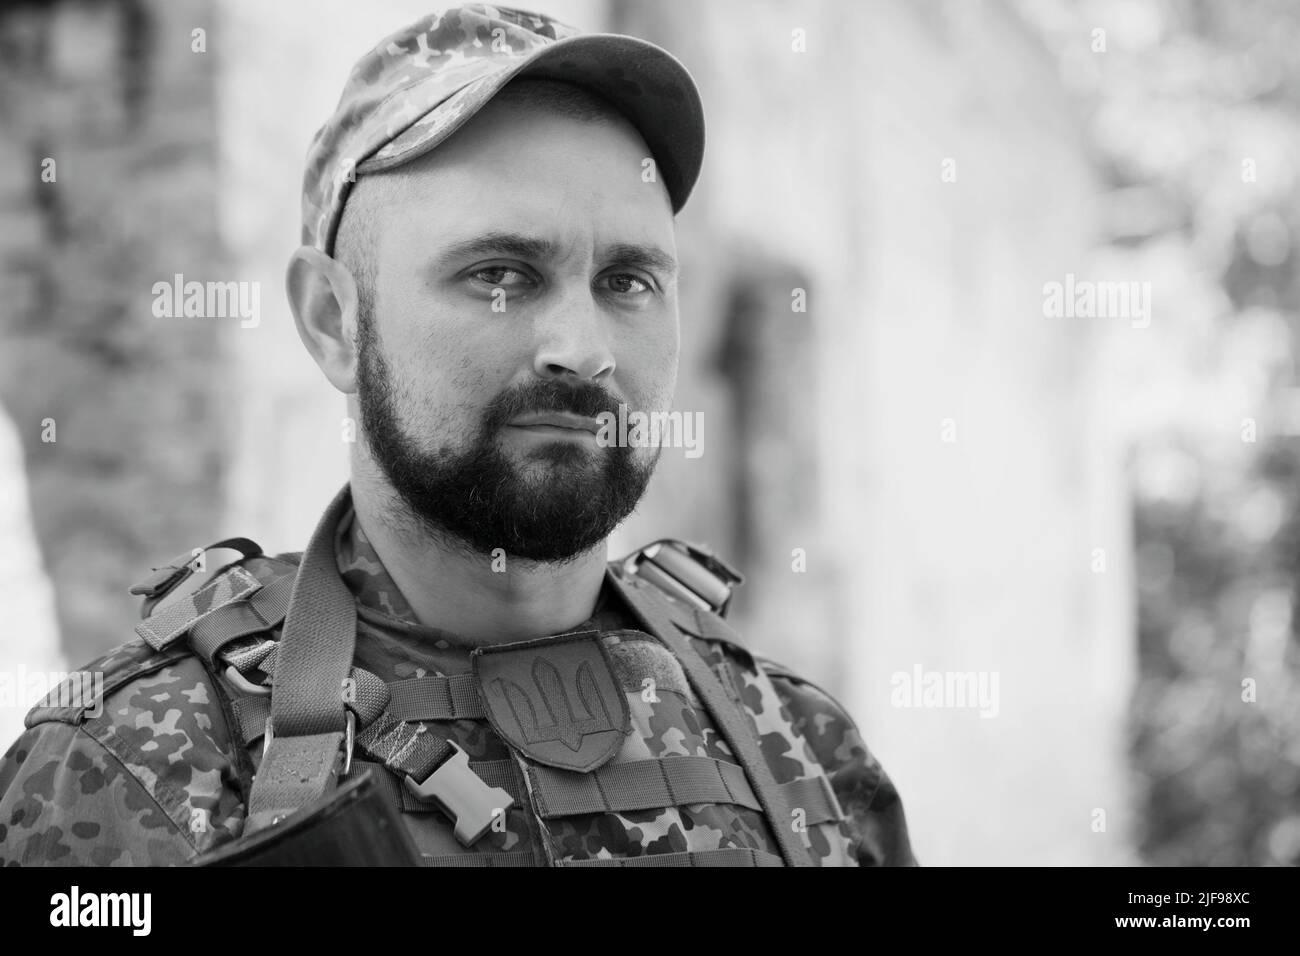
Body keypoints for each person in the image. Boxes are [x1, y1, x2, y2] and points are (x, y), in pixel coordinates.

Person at [0, 3, 916, 867]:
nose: (582, 352)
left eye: (627, 281)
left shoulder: (801, 750)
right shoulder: (133, 772)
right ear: (332, 320)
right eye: (499, 275)